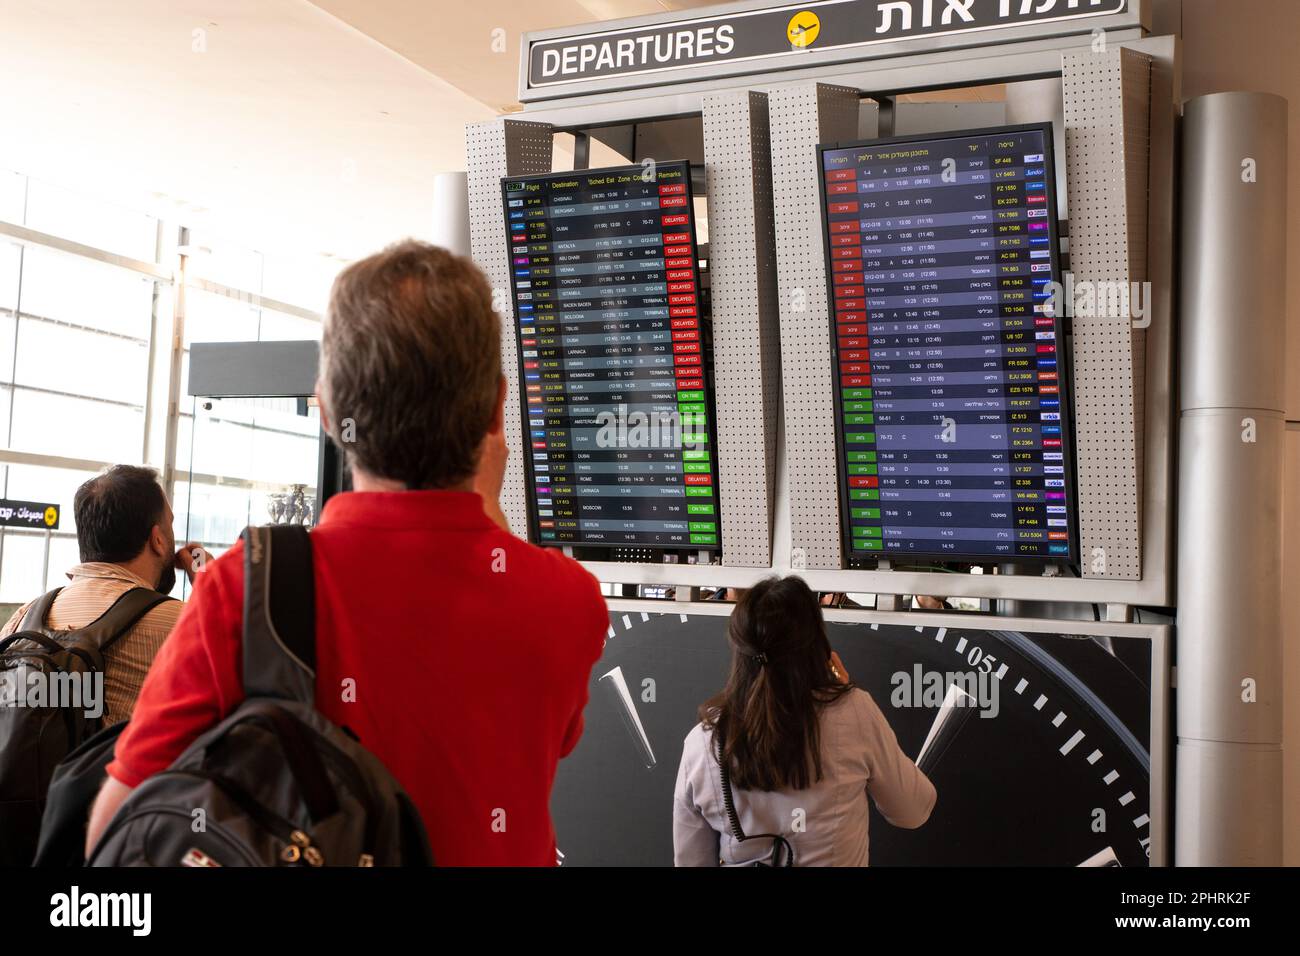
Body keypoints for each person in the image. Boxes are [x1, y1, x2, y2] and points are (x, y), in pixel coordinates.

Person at [86, 240, 609, 866]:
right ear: (498, 409)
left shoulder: (244, 589)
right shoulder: (568, 599)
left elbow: (117, 829)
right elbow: (547, 741)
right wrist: (489, 518)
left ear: (328, 411)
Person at [673, 575, 936, 866]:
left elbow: (690, 859)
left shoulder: (704, 740)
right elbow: (913, 811)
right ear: (816, 647)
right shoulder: (855, 712)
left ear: (740, 649)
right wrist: (842, 690)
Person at [0, 464, 205, 725]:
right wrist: (206, 578)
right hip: (119, 767)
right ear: (158, 540)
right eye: (170, 525)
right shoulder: (179, 623)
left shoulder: (23, 618)